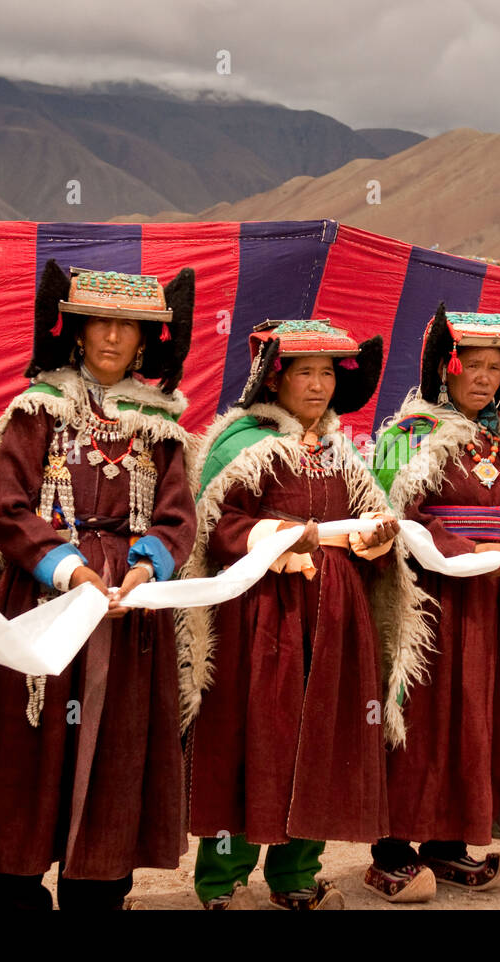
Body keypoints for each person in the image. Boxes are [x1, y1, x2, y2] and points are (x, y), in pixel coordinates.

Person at [0, 262, 197, 910]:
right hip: (44, 604)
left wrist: (146, 569)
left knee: (115, 752)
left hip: (130, 619)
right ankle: (17, 891)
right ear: (78, 331)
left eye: (129, 327)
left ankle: (98, 890)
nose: (114, 338)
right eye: (101, 324)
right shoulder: (38, 410)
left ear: (148, 341)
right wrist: (71, 570)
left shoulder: (162, 426)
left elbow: (178, 519)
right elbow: (7, 507)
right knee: (29, 749)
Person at [182, 319, 427, 910]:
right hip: (261, 617)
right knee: (251, 738)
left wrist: (377, 540)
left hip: (336, 615)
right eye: (305, 373)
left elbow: (368, 523)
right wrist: (281, 537)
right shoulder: (241, 443)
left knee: (321, 737)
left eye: (326, 374)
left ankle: (295, 876)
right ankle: (222, 880)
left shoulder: (343, 451)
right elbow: (217, 528)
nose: (318, 386)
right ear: (275, 377)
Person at [366, 306, 500, 901]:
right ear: (444, 368)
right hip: (428, 602)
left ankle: (447, 844)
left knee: (473, 714)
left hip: (493, 602)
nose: (484, 378)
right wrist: (476, 551)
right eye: (471, 365)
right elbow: (393, 517)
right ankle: (390, 847)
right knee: (419, 717)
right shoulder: (405, 437)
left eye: (495, 367)